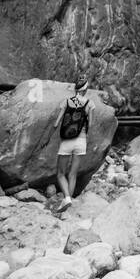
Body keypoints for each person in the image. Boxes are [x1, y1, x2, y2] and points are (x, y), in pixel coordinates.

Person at [54, 79, 91, 210]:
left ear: (76, 89)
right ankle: (68, 203)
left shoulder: (66, 101)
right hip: (81, 142)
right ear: (85, 90)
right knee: (72, 174)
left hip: (67, 141)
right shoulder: (89, 103)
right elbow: (90, 125)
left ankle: (67, 198)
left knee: (60, 173)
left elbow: (56, 123)